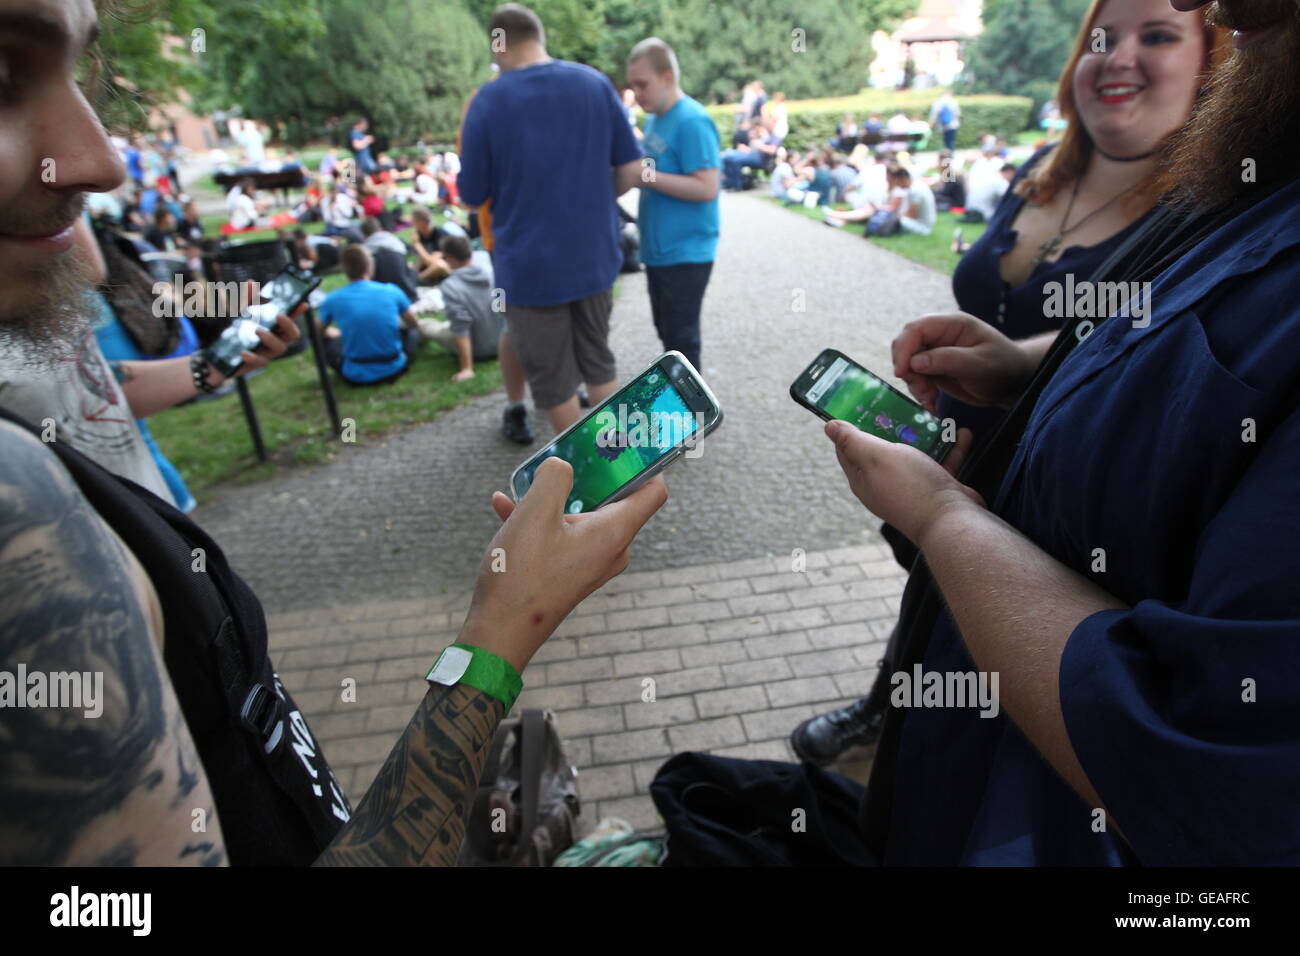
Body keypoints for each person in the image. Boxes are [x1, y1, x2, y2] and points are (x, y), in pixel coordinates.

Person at [792, 0, 1240, 825]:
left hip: (1059, 498)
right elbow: (1082, 330)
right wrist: (1007, 360)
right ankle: (886, 706)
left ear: (1217, 60)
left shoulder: (1205, 206)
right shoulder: (1046, 166)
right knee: (932, 596)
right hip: (959, 442)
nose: (1119, 58)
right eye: (1101, 39)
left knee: (1001, 676)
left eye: (1159, 36)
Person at [458, 3, 641, 434]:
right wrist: (593, 197)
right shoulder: (594, 83)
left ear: (497, 45)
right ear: (539, 37)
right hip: (594, 258)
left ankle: (581, 482)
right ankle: (623, 466)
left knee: (554, 382)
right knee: (599, 363)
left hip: (529, 270)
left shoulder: (486, 101)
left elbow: (470, 195)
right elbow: (632, 169)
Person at [625, 37, 720, 373]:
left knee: (681, 340)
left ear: (667, 77)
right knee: (667, 333)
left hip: (686, 251)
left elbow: (707, 187)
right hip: (660, 250)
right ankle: (682, 407)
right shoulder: (654, 118)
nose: (636, 93)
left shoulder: (692, 120)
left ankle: (693, 418)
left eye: (642, 84)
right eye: (632, 85)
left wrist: (645, 176)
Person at [316, 245, 421, 386]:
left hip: (354, 375)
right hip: (395, 368)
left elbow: (317, 332)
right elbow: (414, 323)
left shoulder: (333, 299)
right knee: (411, 331)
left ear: (344, 269)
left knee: (324, 342)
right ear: (369, 265)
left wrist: (336, 332)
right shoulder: (391, 290)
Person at [418, 235, 503, 382]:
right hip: (502, 344)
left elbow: (461, 326)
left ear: (448, 258)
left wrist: (467, 369)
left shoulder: (451, 286)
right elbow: (504, 312)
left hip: (478, 348)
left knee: (425, 325)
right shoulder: (494, 273)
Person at [823, 164, 936, 235]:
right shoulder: (914, 187)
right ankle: (839, 218)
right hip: (916, 222)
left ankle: (836, 216)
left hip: (921, 226)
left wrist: (885, 213)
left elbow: (911, 215)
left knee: (876, 213)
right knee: (874, 211)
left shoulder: (914, 190)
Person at [720, 118, 779, 191]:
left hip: (760, 159)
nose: (768, 125)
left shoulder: (775, 137)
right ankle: (729, 184)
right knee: (727, 158)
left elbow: (772, 150)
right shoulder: (764, 135)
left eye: (770, 124)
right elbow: (753, 145)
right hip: (751, 154)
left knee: (735, 160)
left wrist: (759, 146)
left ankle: (736, 186)